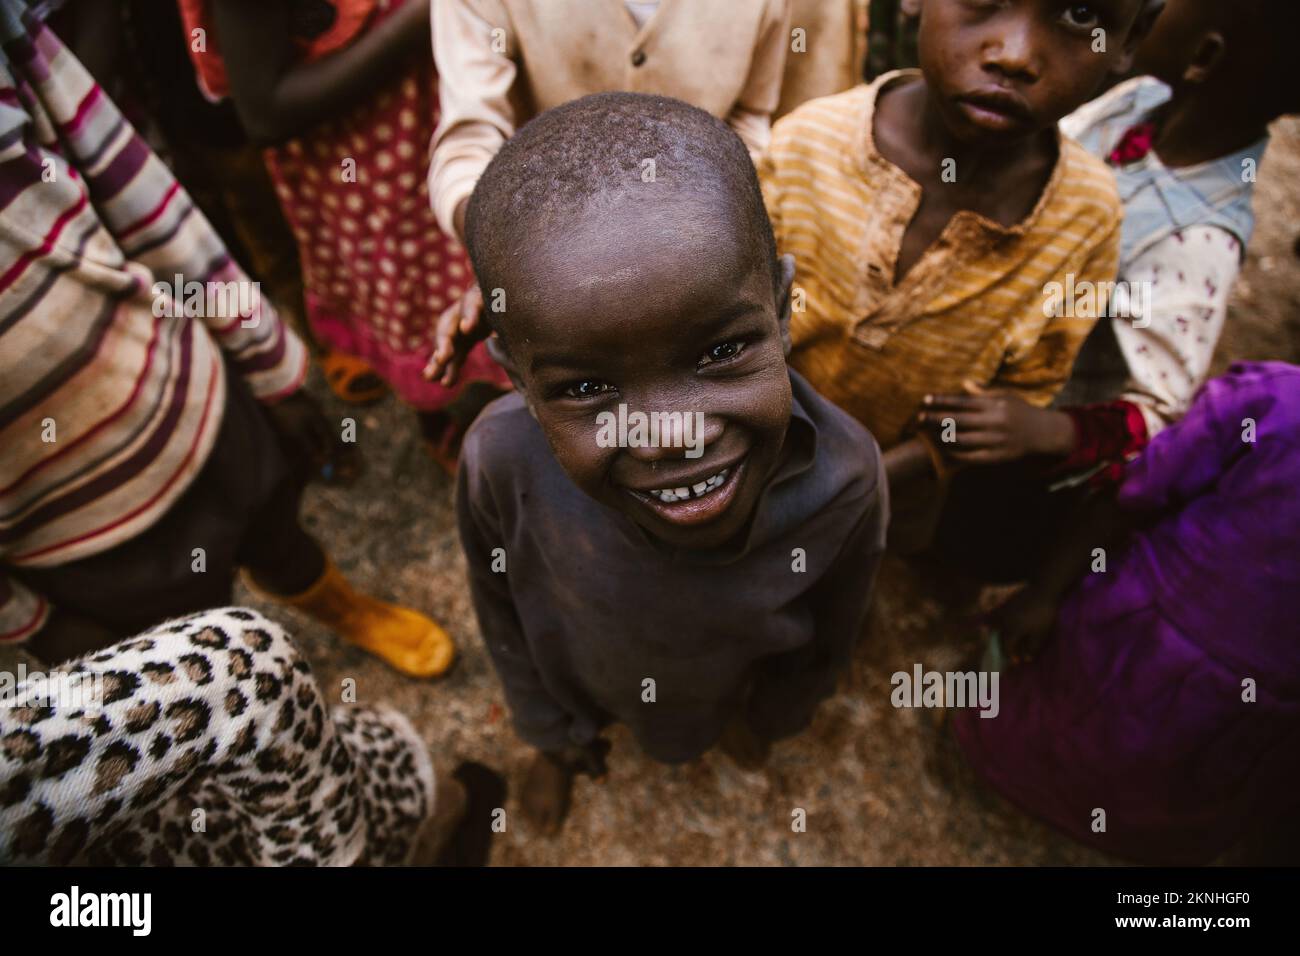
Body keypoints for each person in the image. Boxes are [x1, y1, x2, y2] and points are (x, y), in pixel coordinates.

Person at [455, 93, 887, 834]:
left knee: (710, 727)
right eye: (588, 389)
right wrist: (544, 728)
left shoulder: (847, 477)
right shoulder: (499, 461)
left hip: (725, 687)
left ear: (782, 314)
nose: (670, 434)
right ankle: (564, 750)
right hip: (580, 672)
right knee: (571, 732)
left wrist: (779, 714)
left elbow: (833, 629)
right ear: (521, 383)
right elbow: (497, 607)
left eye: (720, 353)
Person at [0, 0, 451, 676]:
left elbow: (138, 193)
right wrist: (22, 619)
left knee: (276, 532)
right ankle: (251, 693)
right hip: (56, 528)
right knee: (177, 648)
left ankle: (343, 609)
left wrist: (269, 364)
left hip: (181, 395)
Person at [757, 0, 1160, 547]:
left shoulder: (1087, 220)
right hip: (756, 459)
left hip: (897, 497)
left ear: (1129, 42)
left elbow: (1027, 385)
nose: (1014, 56)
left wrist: (870, 481)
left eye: (1082, 14)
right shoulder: (807, 145)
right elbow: (731, 323)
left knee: (829, 587)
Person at [921, 0, 1300, 578]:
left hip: (1022, 435)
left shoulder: (1196, 239)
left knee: (969, 539)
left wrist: (1048, 431)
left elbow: (1160, 410)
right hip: (975, 358)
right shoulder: (1138, 102)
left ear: (1203, 57)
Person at [953, 363, 1300, 864]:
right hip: (1217, 697)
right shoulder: (1272, 404)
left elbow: (1134, 492)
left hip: (1138, 645)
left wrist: (1044, 593)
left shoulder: (1272, 400)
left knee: (1049, 735)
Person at [181, 0, 511, 469]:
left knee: (470, 273)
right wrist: (424, 19)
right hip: (360, 169)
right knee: (405, 295)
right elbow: (264, 112)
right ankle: (438, 418)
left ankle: (497, 388)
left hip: (442, 111)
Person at [0, 607, 502, 866]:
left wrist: (319, 856)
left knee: (431, 809)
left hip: (251, 832)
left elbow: (245, 670)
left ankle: (451, 811)